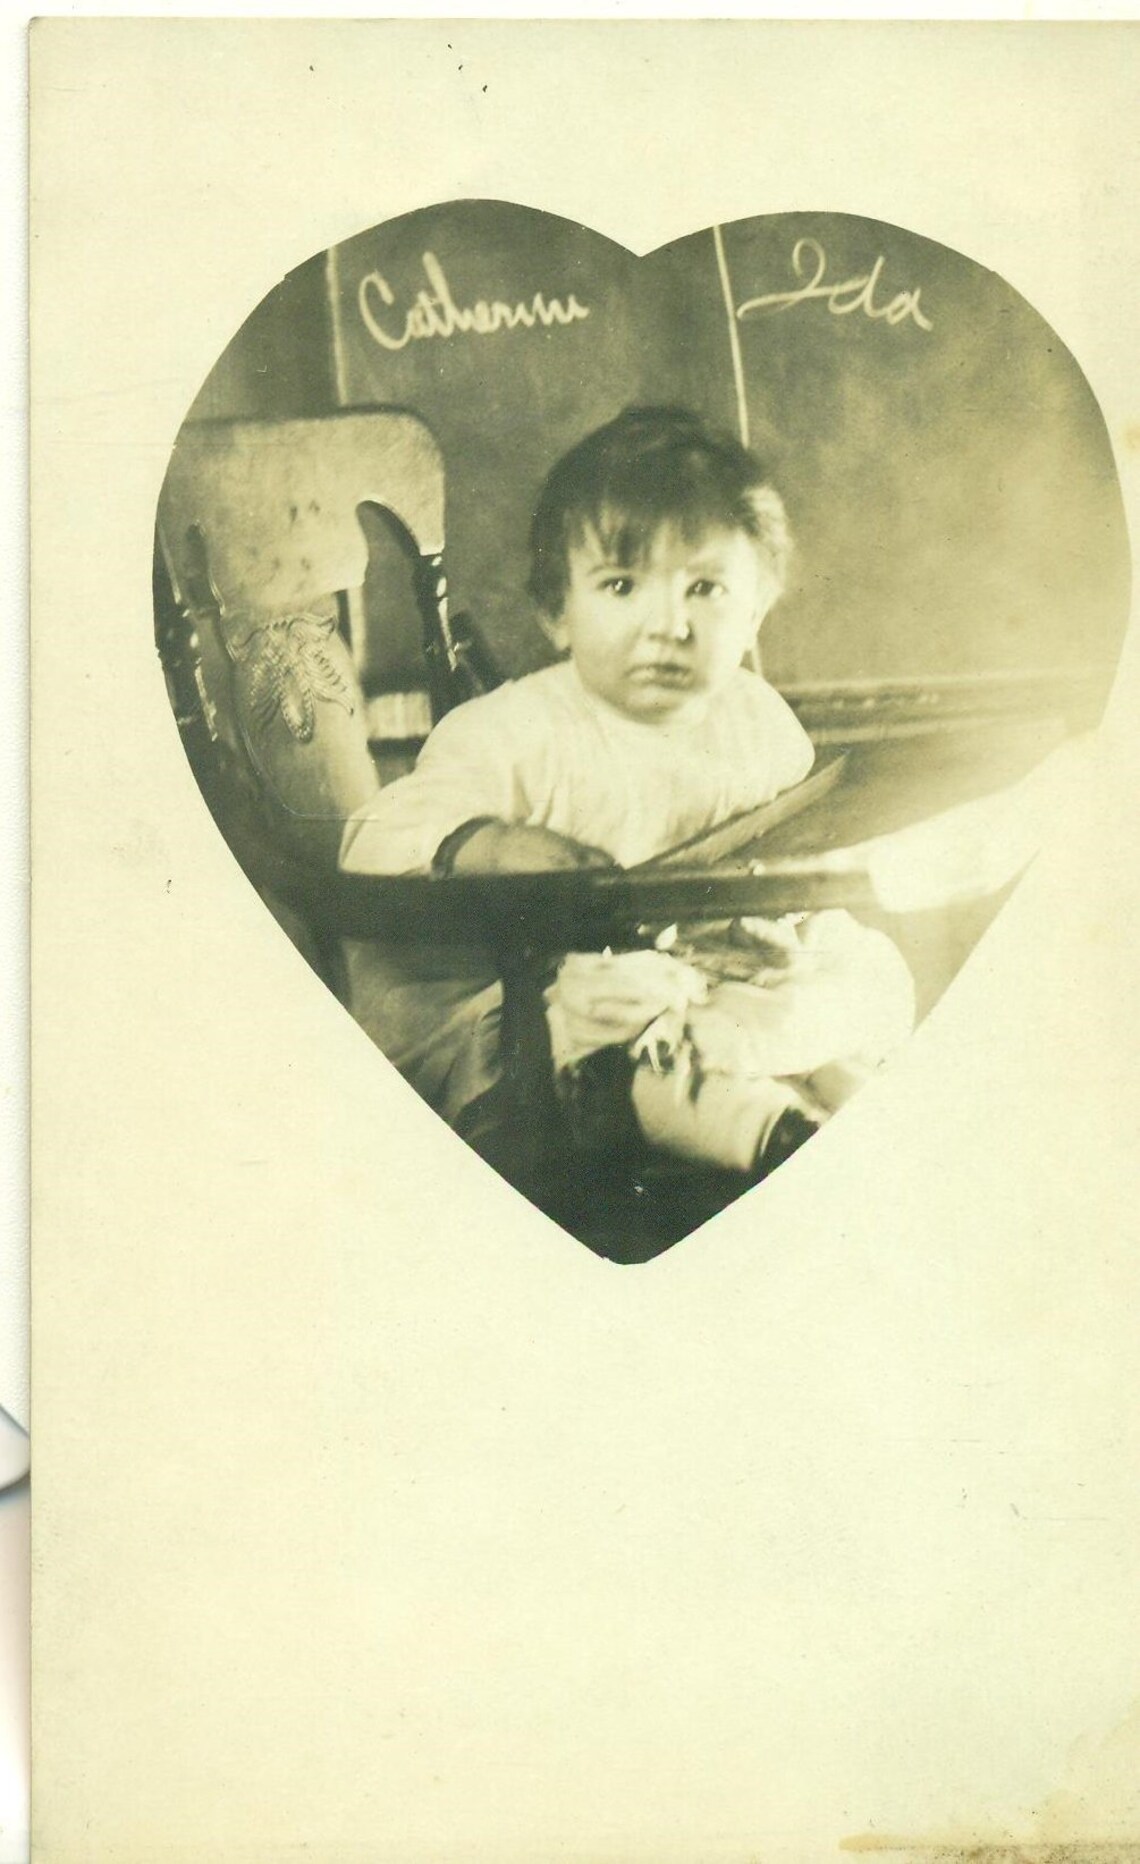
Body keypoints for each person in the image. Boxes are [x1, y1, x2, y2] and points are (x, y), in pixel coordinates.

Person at [339, 407, 913, 1189]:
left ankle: (838, 1110)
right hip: (556, 1002)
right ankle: (766, 1130)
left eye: (705, 588)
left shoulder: (758, 721)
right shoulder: (515, 729)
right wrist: (481, 843)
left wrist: (794, 932)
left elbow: (788, 851)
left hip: (726, 969)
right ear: (557, 611)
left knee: (859, 973)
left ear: (755, 611)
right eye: (621, 585)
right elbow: (377, 834)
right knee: (624, 1015)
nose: (667, 624)